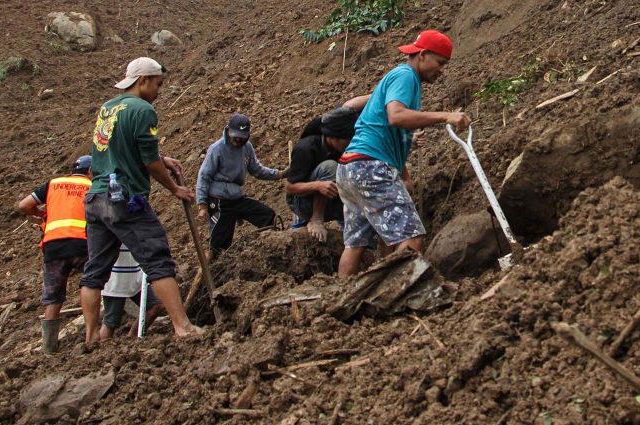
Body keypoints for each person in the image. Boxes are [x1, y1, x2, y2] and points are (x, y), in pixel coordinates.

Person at [78, 57, 201, 343]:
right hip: (124, 198)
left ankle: (91, 336)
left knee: (95, 270)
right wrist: (175, 189)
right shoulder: (144, 110)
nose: (159, 91)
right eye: (158, 84)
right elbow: (148, 161)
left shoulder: (108, 108)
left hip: (96, 196)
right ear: (143, 80)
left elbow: (120, 148)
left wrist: (162, 157)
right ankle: (183, 327)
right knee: (158, 260)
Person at [335, 29, 470, 277]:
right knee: (411, 237)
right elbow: (396, 116)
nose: (442, 70)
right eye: (440, 63)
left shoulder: (400, 78)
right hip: (370, 167)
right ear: (423, 55)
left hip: (351, 167)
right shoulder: (406, 75)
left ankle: (341, 300)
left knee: (355, 244)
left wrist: (403, 173)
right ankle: (395, 296)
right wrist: (445, 116)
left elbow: (388, 130)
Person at [16, 154, 92, 353]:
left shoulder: (54, 184)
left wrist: (42, 215)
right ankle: (94, 333)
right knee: (94, 283)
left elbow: (24, 205)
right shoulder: (92, 185)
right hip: (82, 242)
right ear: (90, 171)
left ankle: (49, 347)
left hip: (53, 245)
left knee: (53, 295)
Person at [195, 113, 284, 255]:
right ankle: (213, 270)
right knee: (220, 245)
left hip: (237, 197)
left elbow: (256, 169)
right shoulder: (217, 149)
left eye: (242, 137)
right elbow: (204, 176)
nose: (238, 140)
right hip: (219, 201)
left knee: (268, 217)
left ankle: (269, 253)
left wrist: (280, 174)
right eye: (235, 136)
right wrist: (202, 205)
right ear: (228, 130)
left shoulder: (247, 147)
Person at [283, 105, 362, 242]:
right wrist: (318, 185)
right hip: (301, 202)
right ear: (334, 137)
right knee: (329, 167)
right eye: (348, 139)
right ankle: (316, 219)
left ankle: (353, 235)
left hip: (329, 200)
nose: (351, 143)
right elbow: (289, 187)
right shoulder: (306, 148)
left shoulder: (342, 149)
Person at [100, 244, 162, 339]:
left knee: (154, 306)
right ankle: (100, 349)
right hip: (115, 276)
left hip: (134, 271)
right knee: (111, 321)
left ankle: (131, 338)